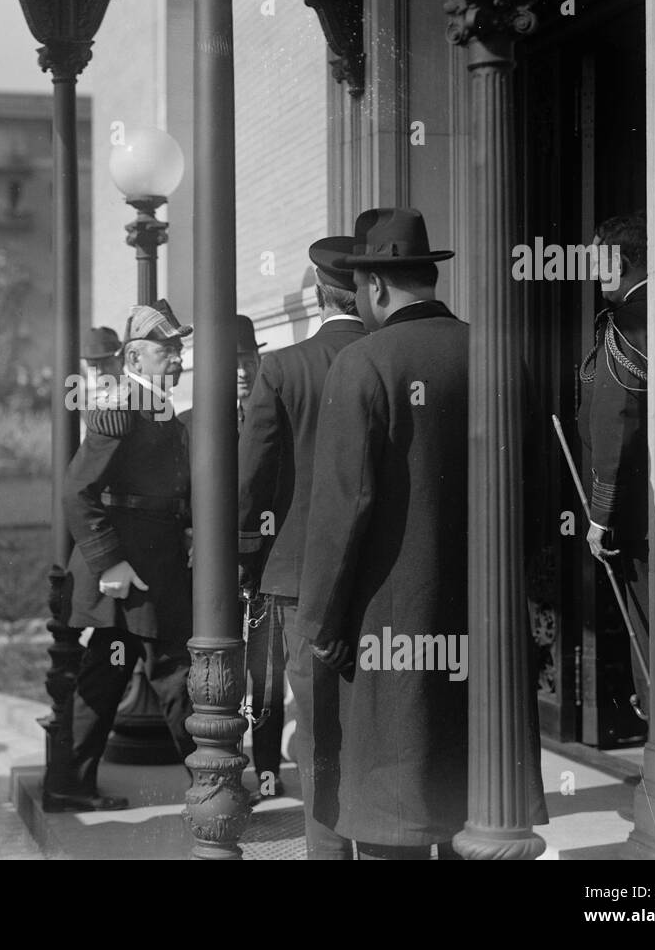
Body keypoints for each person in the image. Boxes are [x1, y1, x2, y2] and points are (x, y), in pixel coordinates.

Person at [297, 207, 471, 860]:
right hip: (481, 647)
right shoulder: (495, 352)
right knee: (472, 820)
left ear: (372, 287)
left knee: (389, 832)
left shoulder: (365, 365)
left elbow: (341, 515)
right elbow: (537, 504)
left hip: (384, 638)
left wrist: (322, 628)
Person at [237, 243, 367, 853]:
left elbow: (251, 479)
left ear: (319, 293)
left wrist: (246, 558)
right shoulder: (387, 357)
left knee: (318, 732)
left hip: (296, 579)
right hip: (385, 575)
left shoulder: (283, 367)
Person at [54, 300, 196, 811]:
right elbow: (78, 491)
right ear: (135, 359)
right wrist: (109, 561)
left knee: (108, 671)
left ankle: (67, 784)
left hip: (149, 564)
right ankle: (213, 784)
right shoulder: (121, 406)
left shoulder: (160, 411)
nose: (178, 358)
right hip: (128, 572)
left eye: (179, 348)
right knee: (176, 670)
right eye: (167, 349)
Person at [576, 212, 650, 717]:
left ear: (622, 261)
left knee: (645, 626)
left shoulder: (624, 322)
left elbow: (616, 422)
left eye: (600, 257)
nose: (592, 269)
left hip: (635, 512)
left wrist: (601, 516)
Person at [81, 326, 124, 406]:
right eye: (93, 365)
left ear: (121, 360)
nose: (100, 371)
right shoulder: (92, 405)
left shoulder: (141, 399)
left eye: (106, 363)